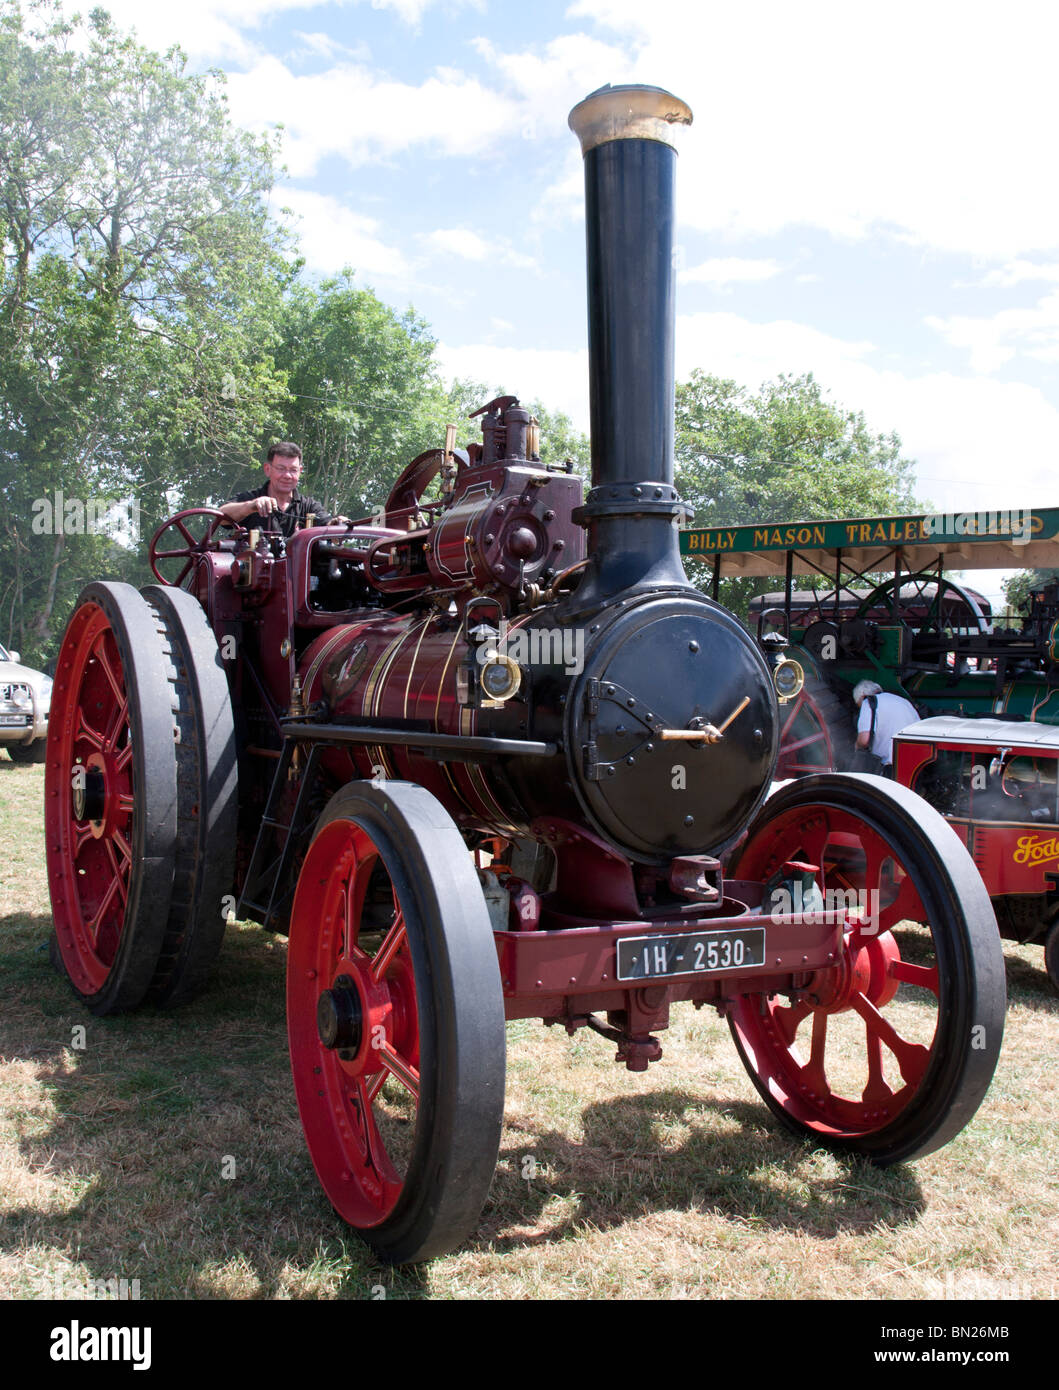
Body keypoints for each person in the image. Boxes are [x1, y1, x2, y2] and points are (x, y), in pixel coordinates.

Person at [220, 443, 346, 538]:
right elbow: (220, 516)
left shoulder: (309, 507)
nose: (287, 475)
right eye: (281, 469)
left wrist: (339, 523)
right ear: (267, 469)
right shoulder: (251, 498)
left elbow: (329, 525)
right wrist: (251, 506)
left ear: (300, 472)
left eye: (293, 470)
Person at [852, 679, 919, 773]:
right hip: (914, 764)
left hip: (888, 766)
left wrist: (857, 746)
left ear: (862, 696)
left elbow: (864, 740)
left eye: (859, 705)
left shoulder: (868, 702)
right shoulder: (904, 701)